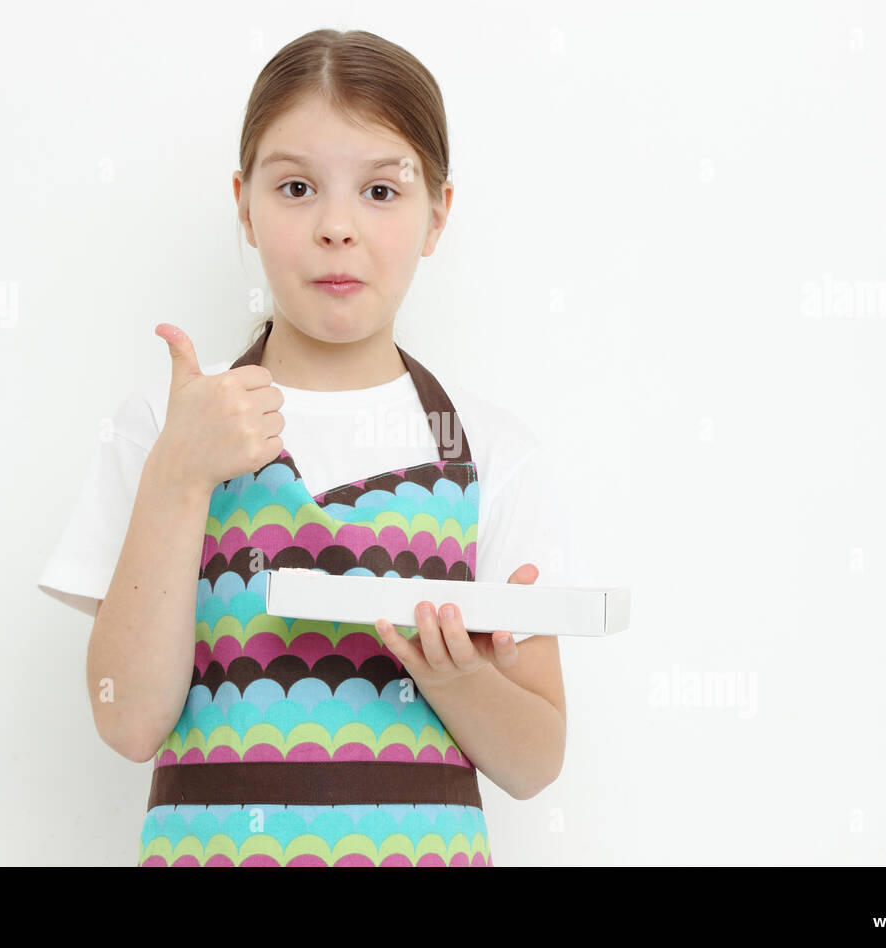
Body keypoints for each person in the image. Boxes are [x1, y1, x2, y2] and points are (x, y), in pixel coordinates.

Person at [38, 28, 568, 866]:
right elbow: (128, 720)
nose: (337, 227)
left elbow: (535, 764)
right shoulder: (165, 425)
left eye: (381, 191)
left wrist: (456, 676)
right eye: (296, 187)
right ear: (244, 205)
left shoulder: (494, 451)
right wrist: (178, 476)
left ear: (438, 214)